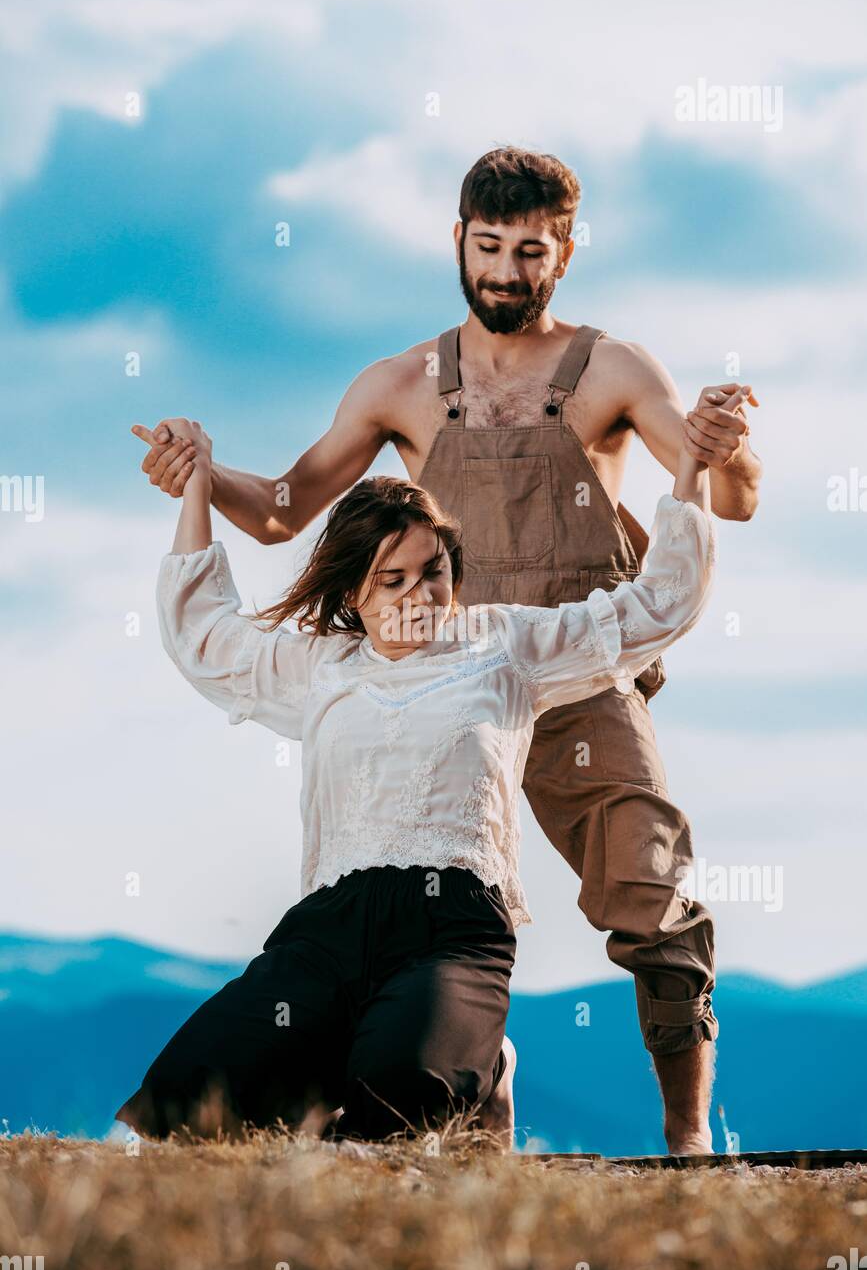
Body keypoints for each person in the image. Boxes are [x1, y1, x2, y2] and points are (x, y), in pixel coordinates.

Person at [133, 145, 761, 1153]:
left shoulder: (614, 368)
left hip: (571, 662)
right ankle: (454, 1065)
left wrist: (723, 451)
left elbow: (722, 494)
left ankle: (690, 1142)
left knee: (650, 887)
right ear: (457, 241)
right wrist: (202, 470)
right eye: (490, 247)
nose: (509, 271)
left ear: (564, 254)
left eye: (532, 252)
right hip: (438, 674)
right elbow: (287, 510)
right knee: (409, 890)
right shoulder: (402, 384)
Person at [116, 418, 716, 1149]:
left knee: (400, 1107)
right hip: (327, 930)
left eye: (432, 571)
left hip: (455, 928)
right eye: (389, 578)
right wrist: (197, 486)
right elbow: (203, 633)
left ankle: (483, 1064)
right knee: (183, 1107)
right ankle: (332, 1054)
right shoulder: (319, 666)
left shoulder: (505, 645)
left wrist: (690, 469)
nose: (417, 594)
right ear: (352, 592)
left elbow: (653, 606)